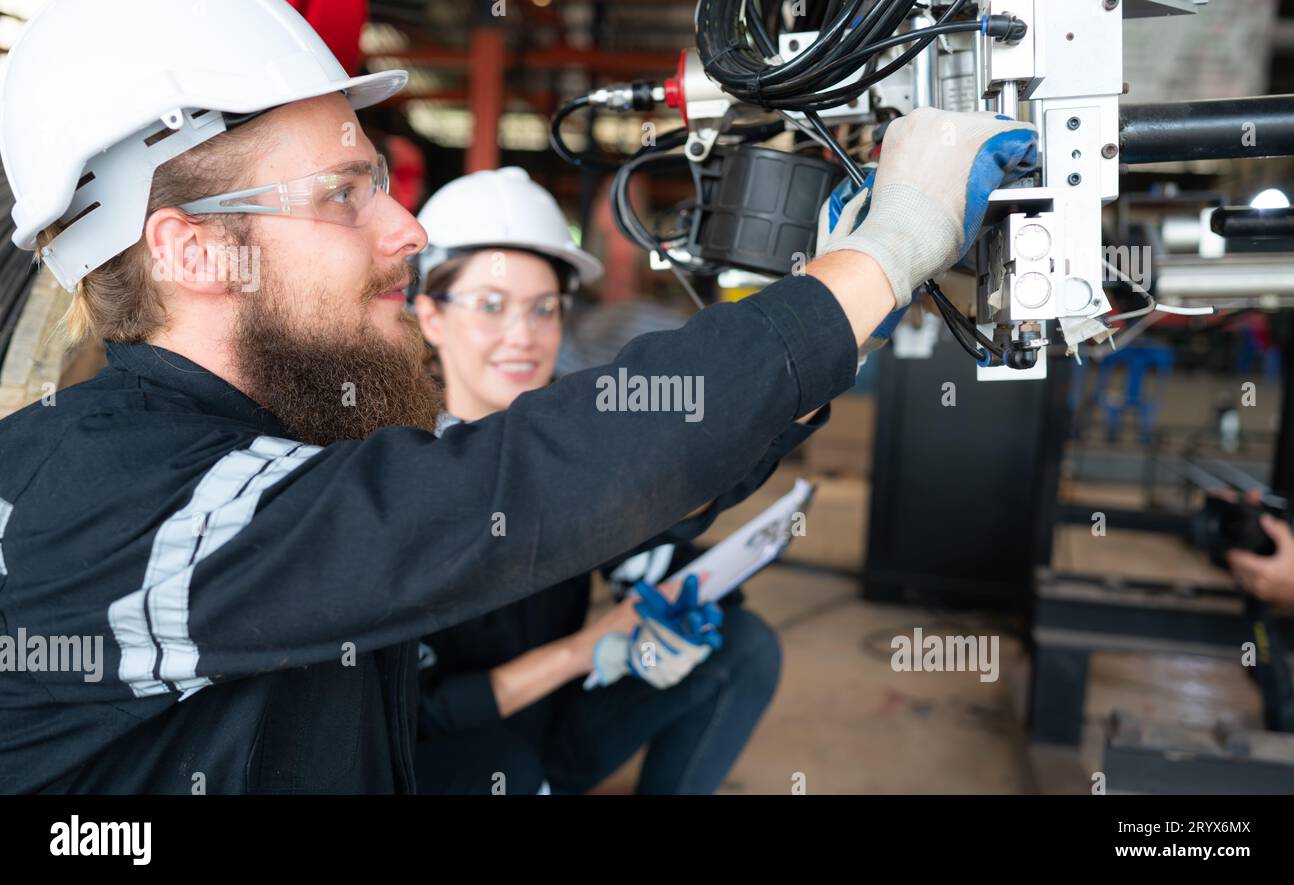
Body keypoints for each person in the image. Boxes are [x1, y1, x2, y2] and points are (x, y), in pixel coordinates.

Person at [0, 0, 1037, 793]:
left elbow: (570, 496)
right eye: (344, 191)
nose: (404, 233)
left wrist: (811, 354)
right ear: (195, 250)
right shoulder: (114, 496)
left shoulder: (238, 454)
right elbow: (516, 487)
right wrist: (883, 254)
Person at [408, 168, 813, 794]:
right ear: (431, 315)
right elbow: (422, 715)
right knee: (499, 769)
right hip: (443, 762)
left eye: (543, 309)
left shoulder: (564, 446)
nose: (523, 336)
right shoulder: (400, 476)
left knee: (741, 646)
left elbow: (653, 531)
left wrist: (798, 388)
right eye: (490, 306)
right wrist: (587, 647)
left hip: (547, 734)